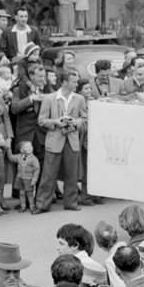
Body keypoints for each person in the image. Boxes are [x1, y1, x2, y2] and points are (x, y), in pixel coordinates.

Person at [33, 70, 85, 214]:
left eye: (76, 81)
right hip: (55, 139)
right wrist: (56, 122)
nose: (76, 84)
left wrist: (75, 122)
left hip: (72, 139)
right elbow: (41, 120)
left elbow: (85, 119)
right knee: (48, 174)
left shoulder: (79, 99)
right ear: (64, 82)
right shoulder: (50, 98)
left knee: (72, 175)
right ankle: (42, 204)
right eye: (73, 81)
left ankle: (71, 202)